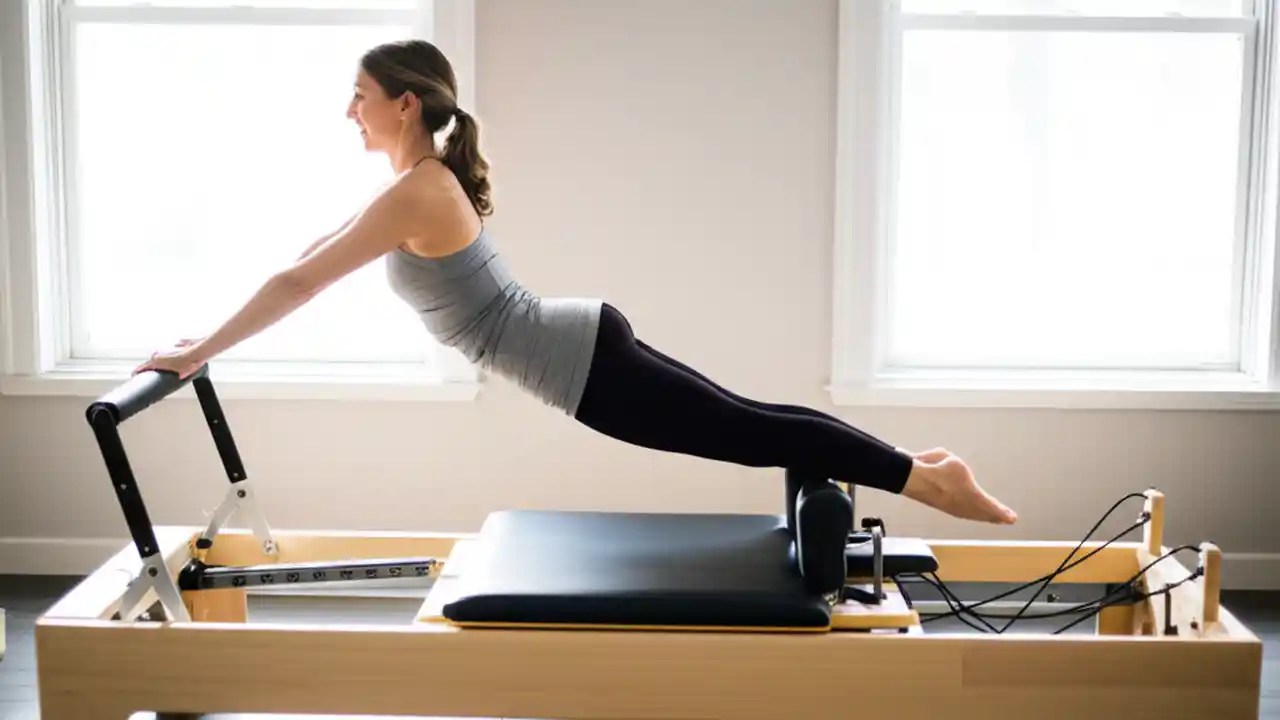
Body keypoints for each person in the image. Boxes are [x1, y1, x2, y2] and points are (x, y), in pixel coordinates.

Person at [134, 39, 1016, 526]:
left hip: (581, 362)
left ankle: (925, 481)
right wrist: (202, 345)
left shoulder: (419, 190)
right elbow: (308, 257)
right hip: (583, 342)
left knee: (748, 433)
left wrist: (201, 351)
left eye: (359, 94)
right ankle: (924, 467)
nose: (348, 110)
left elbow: (299, 282)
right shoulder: (411, 189)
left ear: (404, 102)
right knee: (750, 421)